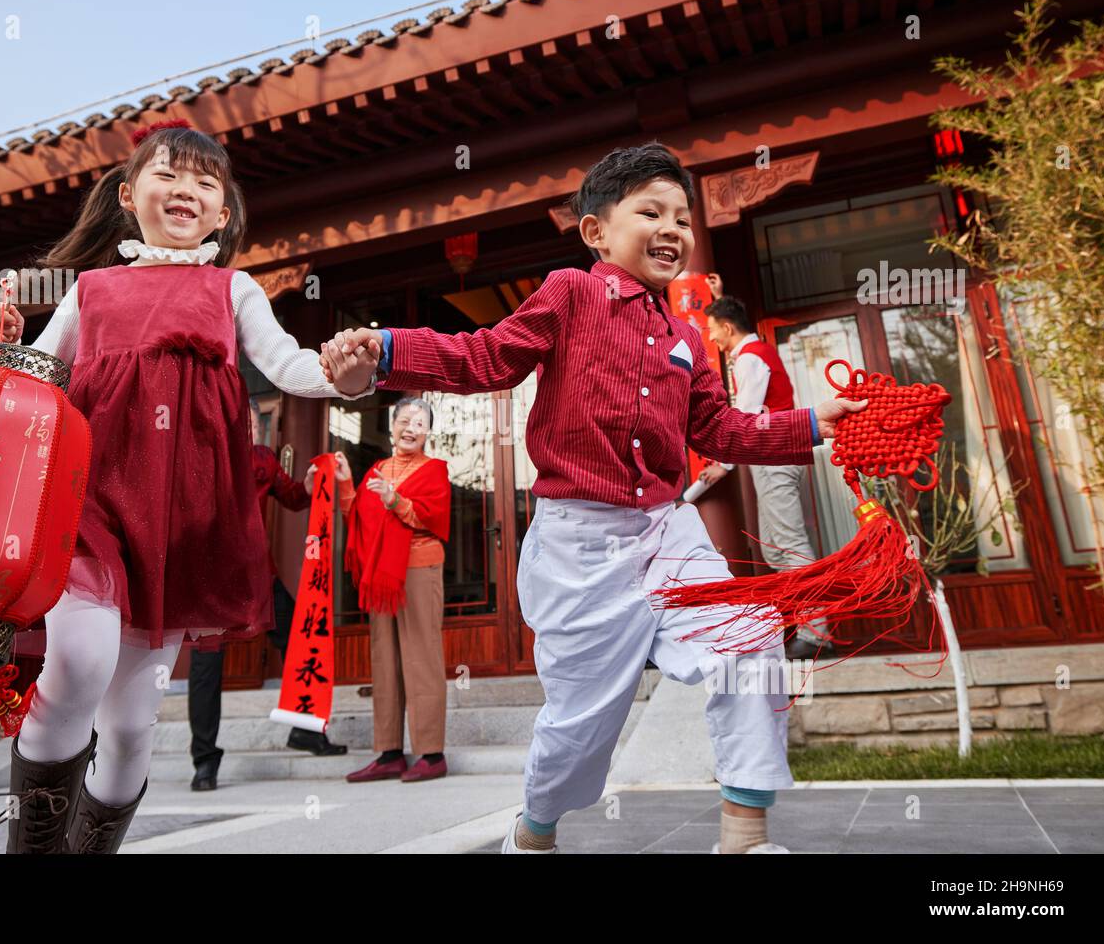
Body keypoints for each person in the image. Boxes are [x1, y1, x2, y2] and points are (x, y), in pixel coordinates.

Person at [320, 142, 864, 853]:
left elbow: (721, 428)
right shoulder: (569, 295)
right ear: (596, 232)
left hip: (669, 533)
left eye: (682, 216)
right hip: (579, 545)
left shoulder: (688, 341)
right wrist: (388, 350)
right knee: (580, 725)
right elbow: (485, 357)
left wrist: (814, 422)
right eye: (651, 212)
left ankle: (744, 835)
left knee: (750, 638)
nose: (673, 228)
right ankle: (534, 828)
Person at [0, 119, 380, 853]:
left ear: (223, 214)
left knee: (130, 727)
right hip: (88, 500)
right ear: (129, 195)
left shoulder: (235, 288)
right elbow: (36, 376)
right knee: (78, 661)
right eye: (168, 173)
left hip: (185, 520)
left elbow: (291, 367)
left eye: (204, 181)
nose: (185, 188)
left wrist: (344, 377)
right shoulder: (91, 291)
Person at [188, 400, 347, 793]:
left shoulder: (262, 460)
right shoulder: (198, 459)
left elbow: (292, 496)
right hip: (211, 584)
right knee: (206, 671)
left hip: (259, 577)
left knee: (300, 638)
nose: (248, 431)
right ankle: (205, 762)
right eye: (240, 423)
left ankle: (305, 728)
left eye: (252, 425)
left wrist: (310, 486)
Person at [700, 274, 835, 659]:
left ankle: (817, 631)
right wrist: (720, 298)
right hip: (773, 456)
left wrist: (723, 465)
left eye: (713, 331)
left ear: (727, 329)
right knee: (776, 550)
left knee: (787, 544)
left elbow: (744, 417)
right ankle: (808, 626)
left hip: (775, 456)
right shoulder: (754, 352)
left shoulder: (751, 358)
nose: (711, 339)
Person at [322, 398, 453, 784]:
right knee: (385, 660)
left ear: (429, 432)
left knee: (422, 657)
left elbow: (431, 516)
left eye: (420, 422)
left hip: (419, 567)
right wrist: (347, 481)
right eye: (404, 420)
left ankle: (432, 753)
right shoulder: (377, 469)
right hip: (382, 577)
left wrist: (394, 499)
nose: (411, 427)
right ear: (391, 424)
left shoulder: (435, 471)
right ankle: (390, 752)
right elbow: (359, 518)